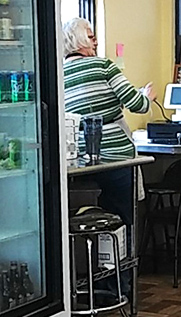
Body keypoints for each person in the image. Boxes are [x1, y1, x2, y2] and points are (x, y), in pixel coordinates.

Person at [63, 17, 155, 227]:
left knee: (88, 219)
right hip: (115, 158)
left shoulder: (58, 74)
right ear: (79, 41)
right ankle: (122, 257)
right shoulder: (103, 66)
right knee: (121, 220)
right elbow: (136, 104)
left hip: (80, 160)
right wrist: (147, 96)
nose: (95, 43)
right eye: (91, 37)